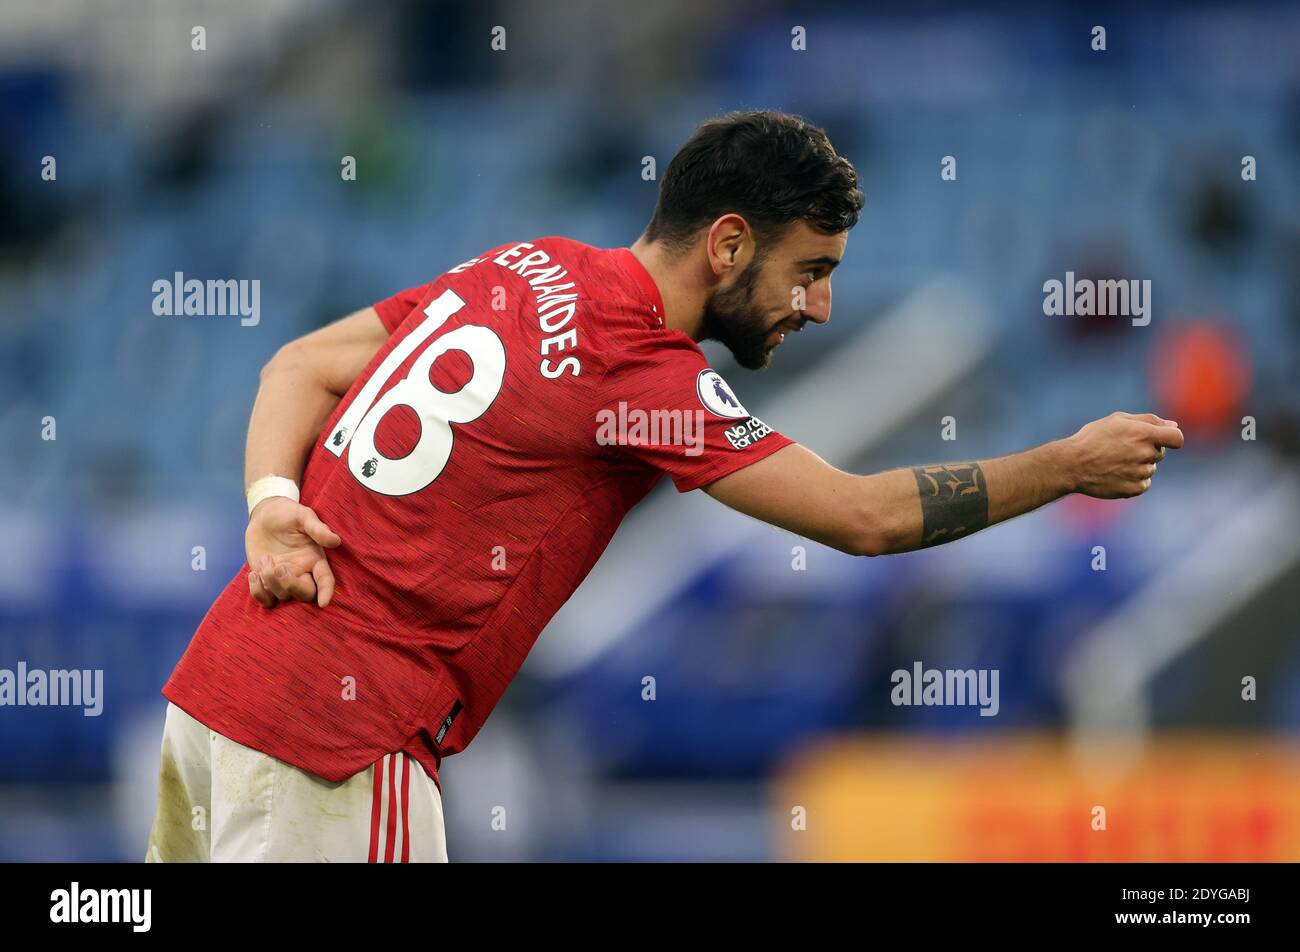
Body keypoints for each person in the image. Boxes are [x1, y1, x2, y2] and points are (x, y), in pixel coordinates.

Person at [146, 110, 1182, 862]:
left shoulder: (526, 263)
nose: (818, 306)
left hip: (217, 695)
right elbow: (863, 519)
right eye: (809, 269)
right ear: (729, 241)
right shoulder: (640, 370)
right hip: (336, 740)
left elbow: (299, 362)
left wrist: (270, 502)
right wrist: (1065, 465)